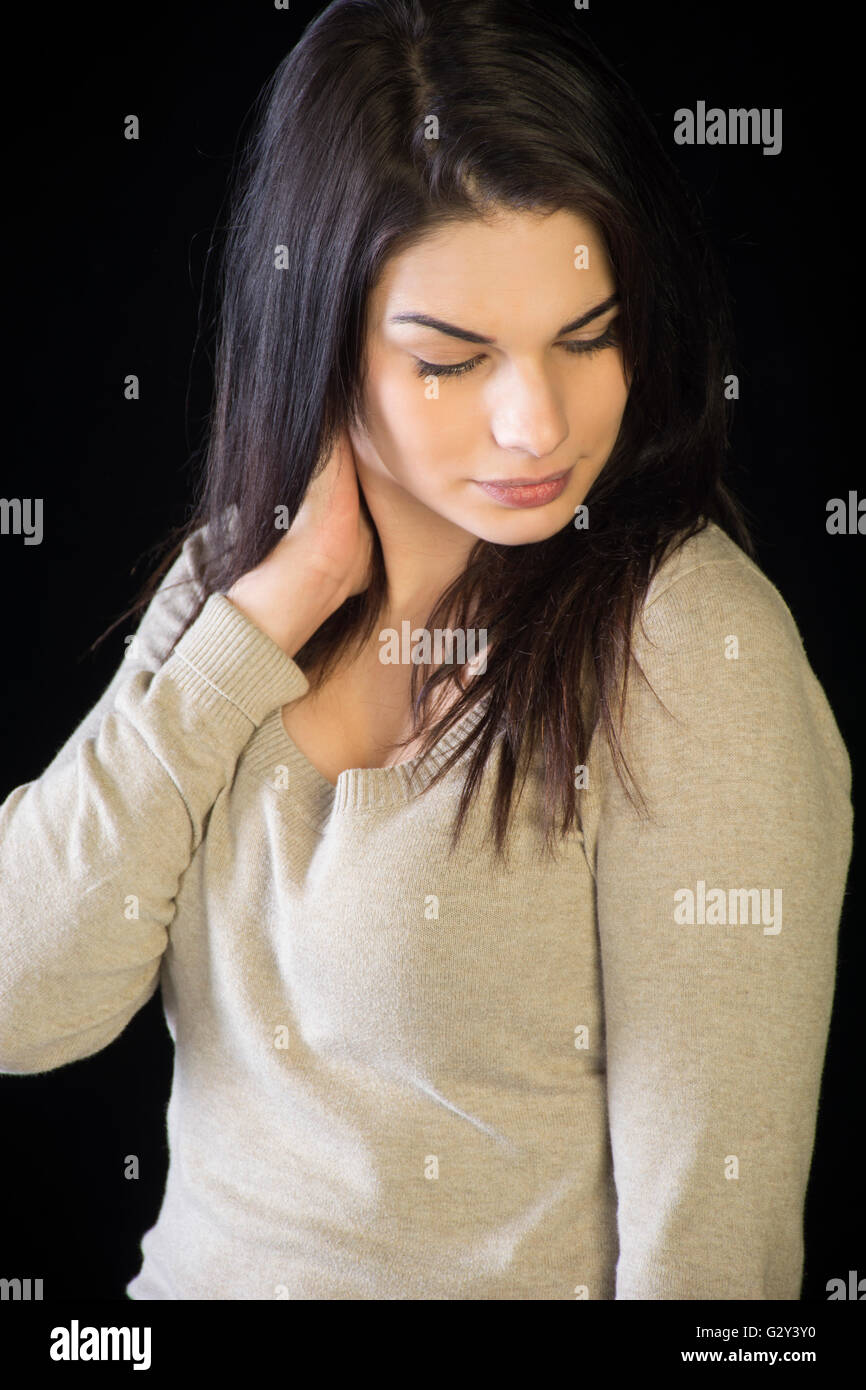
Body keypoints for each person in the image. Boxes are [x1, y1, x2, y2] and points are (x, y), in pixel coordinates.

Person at [0, 0, 852, 1300]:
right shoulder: (235, 575)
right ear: (323, 342)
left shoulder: (687, 646)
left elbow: (712, 1259)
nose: (536, 424)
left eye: (587, 335)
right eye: (452, 360)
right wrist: (262, 617)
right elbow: (21, 998)